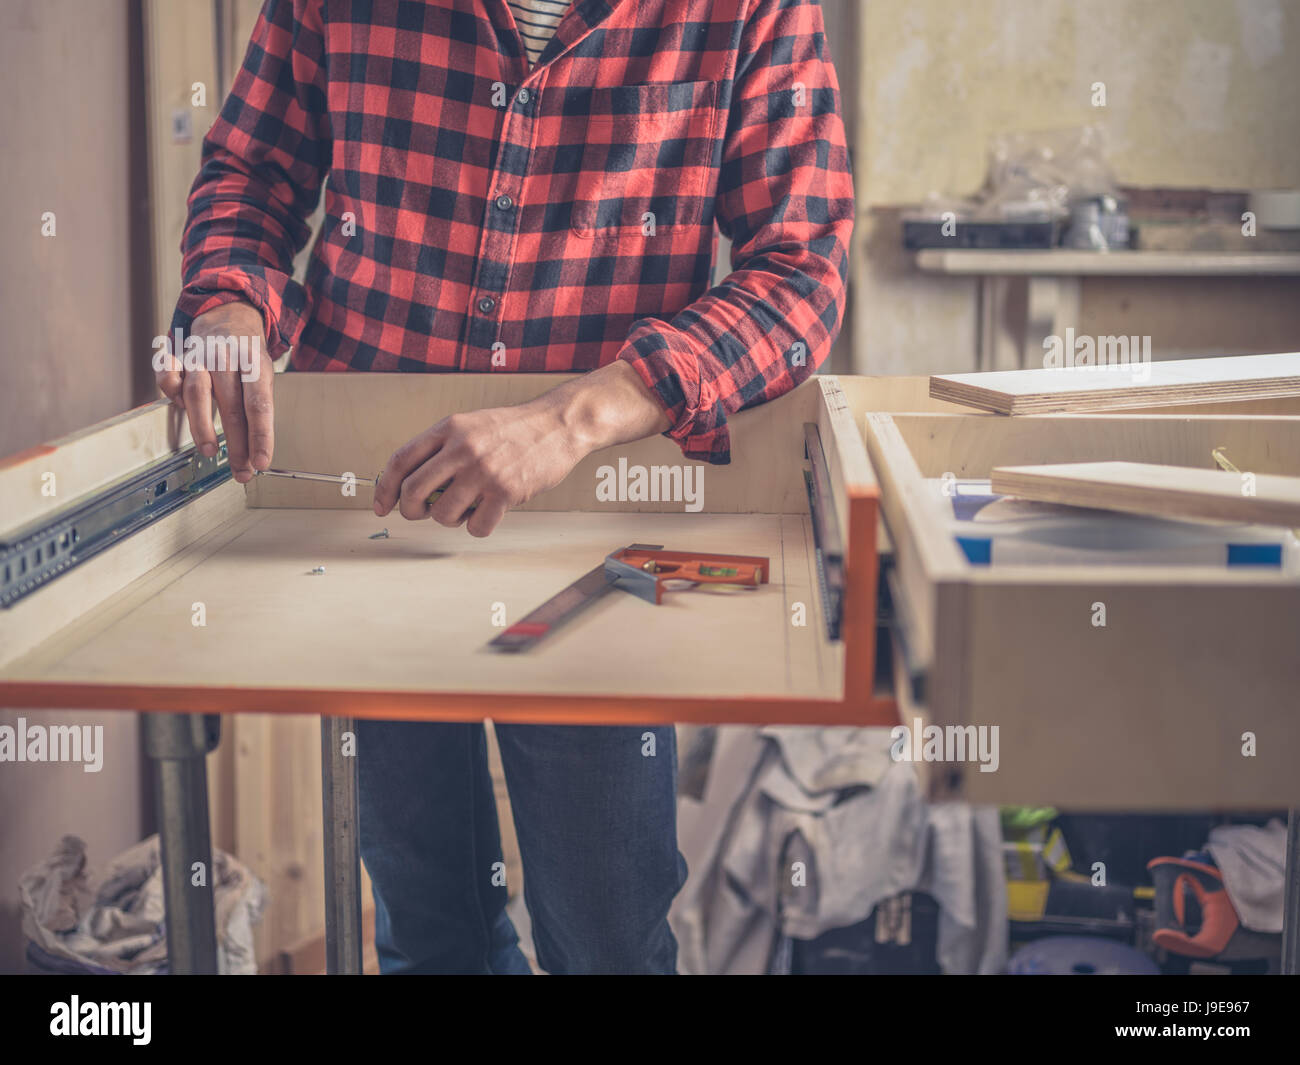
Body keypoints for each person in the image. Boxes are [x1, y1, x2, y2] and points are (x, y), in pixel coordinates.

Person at [156, 0, 854, 973]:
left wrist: (573, 419)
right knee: (428, 926)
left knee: (605, 934)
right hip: (375, 517)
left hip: (605, 532)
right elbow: (253, 174)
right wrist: (230, 298)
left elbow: (800, 271)